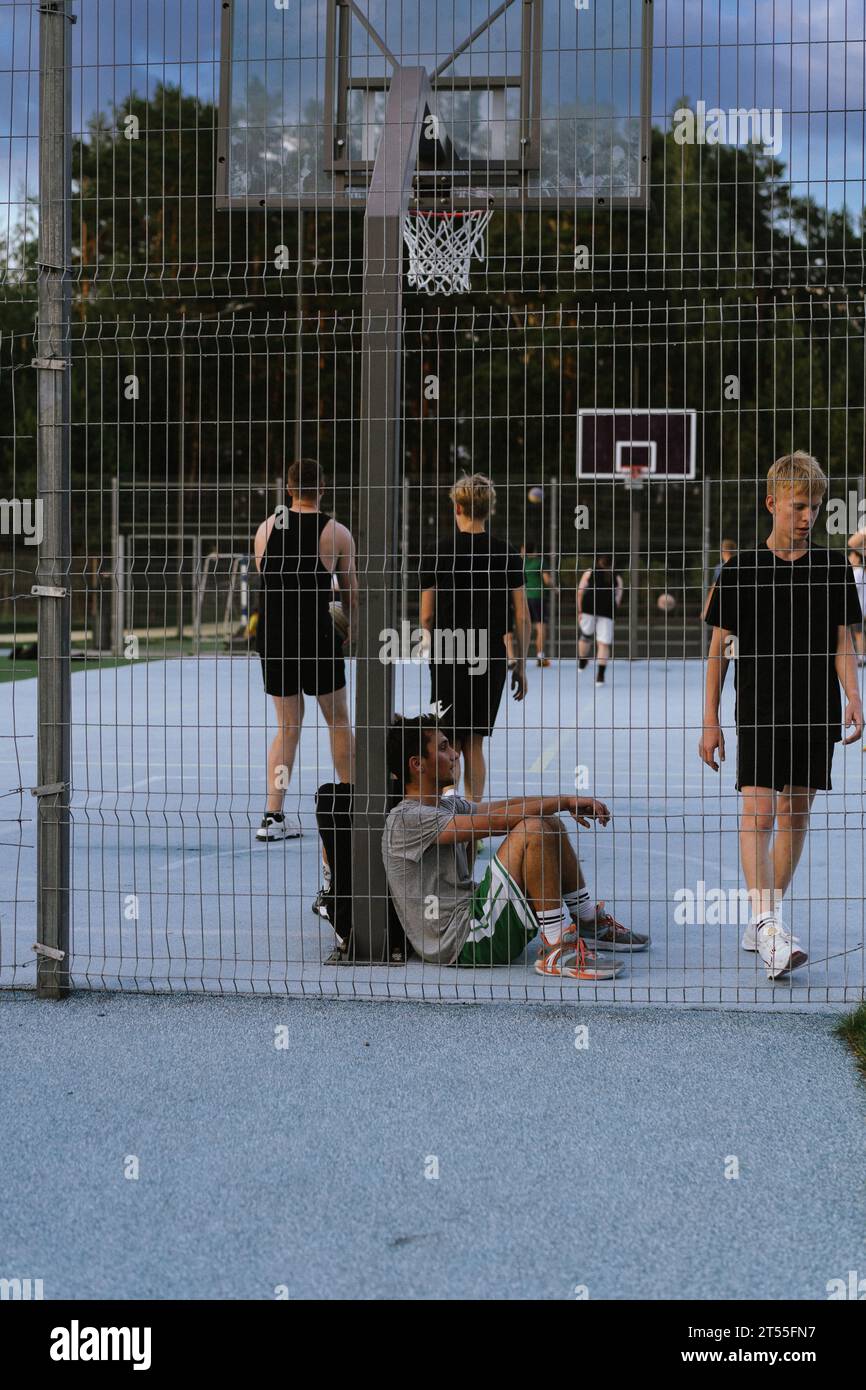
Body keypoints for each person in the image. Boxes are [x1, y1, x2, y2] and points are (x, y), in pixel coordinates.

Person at [700, 452, 863, 980]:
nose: (808, 516)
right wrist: (710, 719)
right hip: (761, 710)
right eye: (798, 506)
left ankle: (761, 917)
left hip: (816, 711)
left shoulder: (834, 566)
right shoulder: (741, 570)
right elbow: (717, 650)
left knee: (795, 816)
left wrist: (854, 695)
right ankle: (770, 927)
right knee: (759, 815)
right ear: (772, 502)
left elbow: (843, 641)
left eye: (814, 507)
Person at [382, 715, 649, 976]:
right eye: (443, 747)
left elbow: (505, 807)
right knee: (532, 829)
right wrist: (564, 802)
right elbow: (496, 822)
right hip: (459, 939)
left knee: (548, 823)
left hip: (476, 914)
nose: (454, 754)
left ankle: (589, 921)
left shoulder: (446, 805)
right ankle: (555, 948)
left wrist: (564, 801)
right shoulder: (408, 818)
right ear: (418, 764)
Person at [253, 459, 357, 841]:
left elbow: (270, 578)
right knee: (338, 720)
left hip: (276, 638)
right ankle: (351, 802)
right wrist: (349, 626)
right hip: (317, 637)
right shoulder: (335, 532)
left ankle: (272, 815)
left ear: (289, 489)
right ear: (323, 487)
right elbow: (350, 588)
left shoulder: (266, 529)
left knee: (287, 727)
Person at [420, 474, 531, 802]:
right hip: (489, 654)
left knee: (448, 739)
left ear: (457, 506)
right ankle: (474, 820)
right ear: (489, 509)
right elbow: (522, 615)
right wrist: (520, 664)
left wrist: (435, 643)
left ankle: (449, 811)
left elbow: (426, 614)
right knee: (475, 743)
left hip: (448, 650)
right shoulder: (506, 552)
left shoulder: (438, 551)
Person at [577, 553, 622, 685]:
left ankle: (582, 660)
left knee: (585, 635)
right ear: (611, 563)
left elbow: (580, 592)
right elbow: (618, 598)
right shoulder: (616, 577)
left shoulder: (589, 573)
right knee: (603, 643)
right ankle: (600, 676)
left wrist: (580, 610)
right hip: (607, 610)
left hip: (588, 607)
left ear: (597, 562)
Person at [508, 543, 554, 667]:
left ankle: (518, 658)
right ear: (535, 550)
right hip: (538, 597)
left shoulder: (519, 562)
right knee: (540, 627)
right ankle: (540, 656)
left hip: (522, 598)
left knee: (522, 627)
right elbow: (546, 579)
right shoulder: (540, 562)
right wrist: (555, 588)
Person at [701, 538, 738, 620]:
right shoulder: (741, 565)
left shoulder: (720, 568)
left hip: (723, 605)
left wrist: (706, 609)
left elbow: (714, 588)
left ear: (723, 550)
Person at [847, 548, 866, 664]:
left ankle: (861, 657)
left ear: (857, 558)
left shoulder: (857, 572)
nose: (849, 558)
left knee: (858, 633)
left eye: (851, 556)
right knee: (859, 632)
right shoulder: (861, 572)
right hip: (862, 607)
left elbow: (851, 589)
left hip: (859, 608)